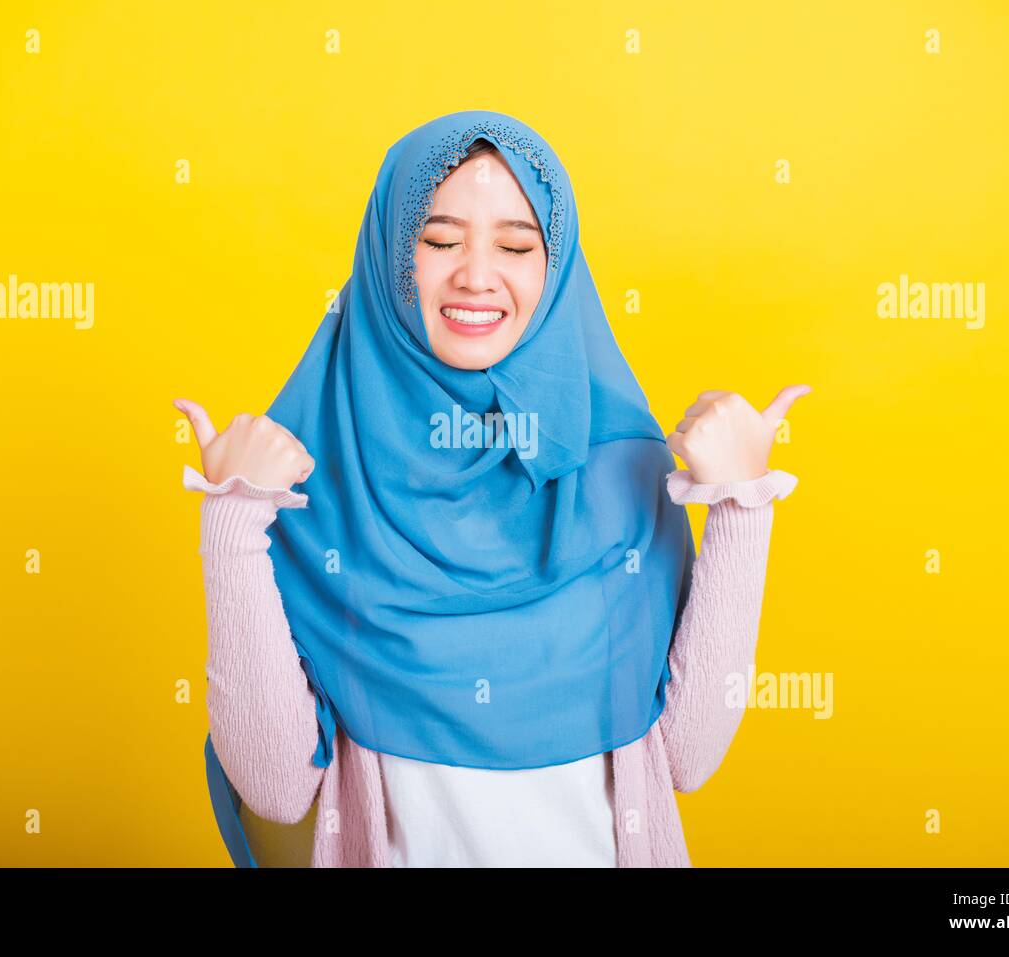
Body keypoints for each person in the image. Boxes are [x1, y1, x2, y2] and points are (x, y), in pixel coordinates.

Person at [175, 109, 809, 867]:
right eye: (439, 241)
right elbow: (275, 787)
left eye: (516, 245)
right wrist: (233, 520)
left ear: (558, 266)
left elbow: (689, 756)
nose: (476, 275)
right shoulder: (305, 483)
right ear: (387, 256)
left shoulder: (621, 470)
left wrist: (743, 506)